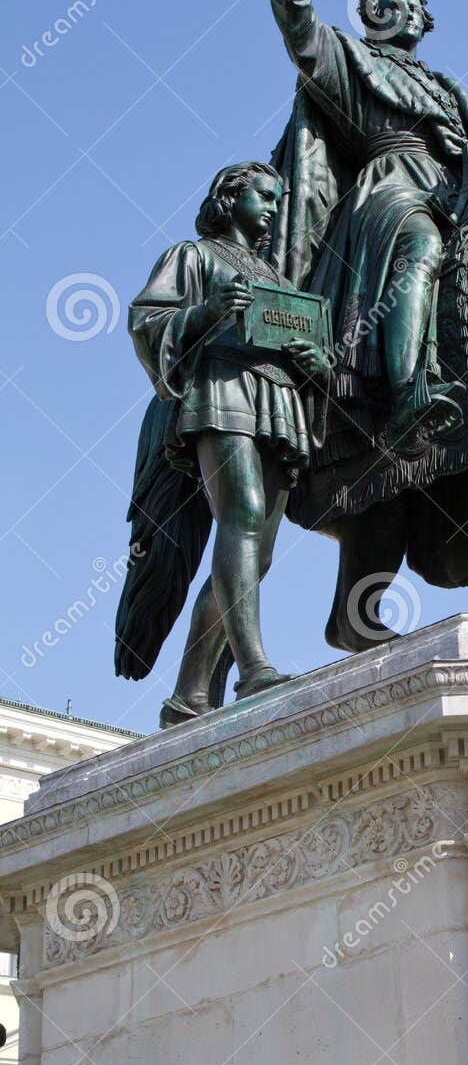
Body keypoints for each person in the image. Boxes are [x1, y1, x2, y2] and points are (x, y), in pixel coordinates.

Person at [270, 0, 468, 453]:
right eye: (403, 4)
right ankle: (405, 395)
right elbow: (300, 30)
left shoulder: (447, 88)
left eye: (420, 7)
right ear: (378, 12)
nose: (415, 15)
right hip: (392, 191)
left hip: (457, 190)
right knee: (420, 244)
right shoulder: (352, 58)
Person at [128, 163, 331, 724]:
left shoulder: (279, 282)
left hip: (281, 400)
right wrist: (206, 312)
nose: (272, 206)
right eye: (262, 195)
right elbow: (147, 319)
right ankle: (253, 669)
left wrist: (320, 363)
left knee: (257, 554)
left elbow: (315, 349)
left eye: (277, 198)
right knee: (239, 517)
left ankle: (189, 693)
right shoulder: (192, 256)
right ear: (229, 196)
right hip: (223, 388)